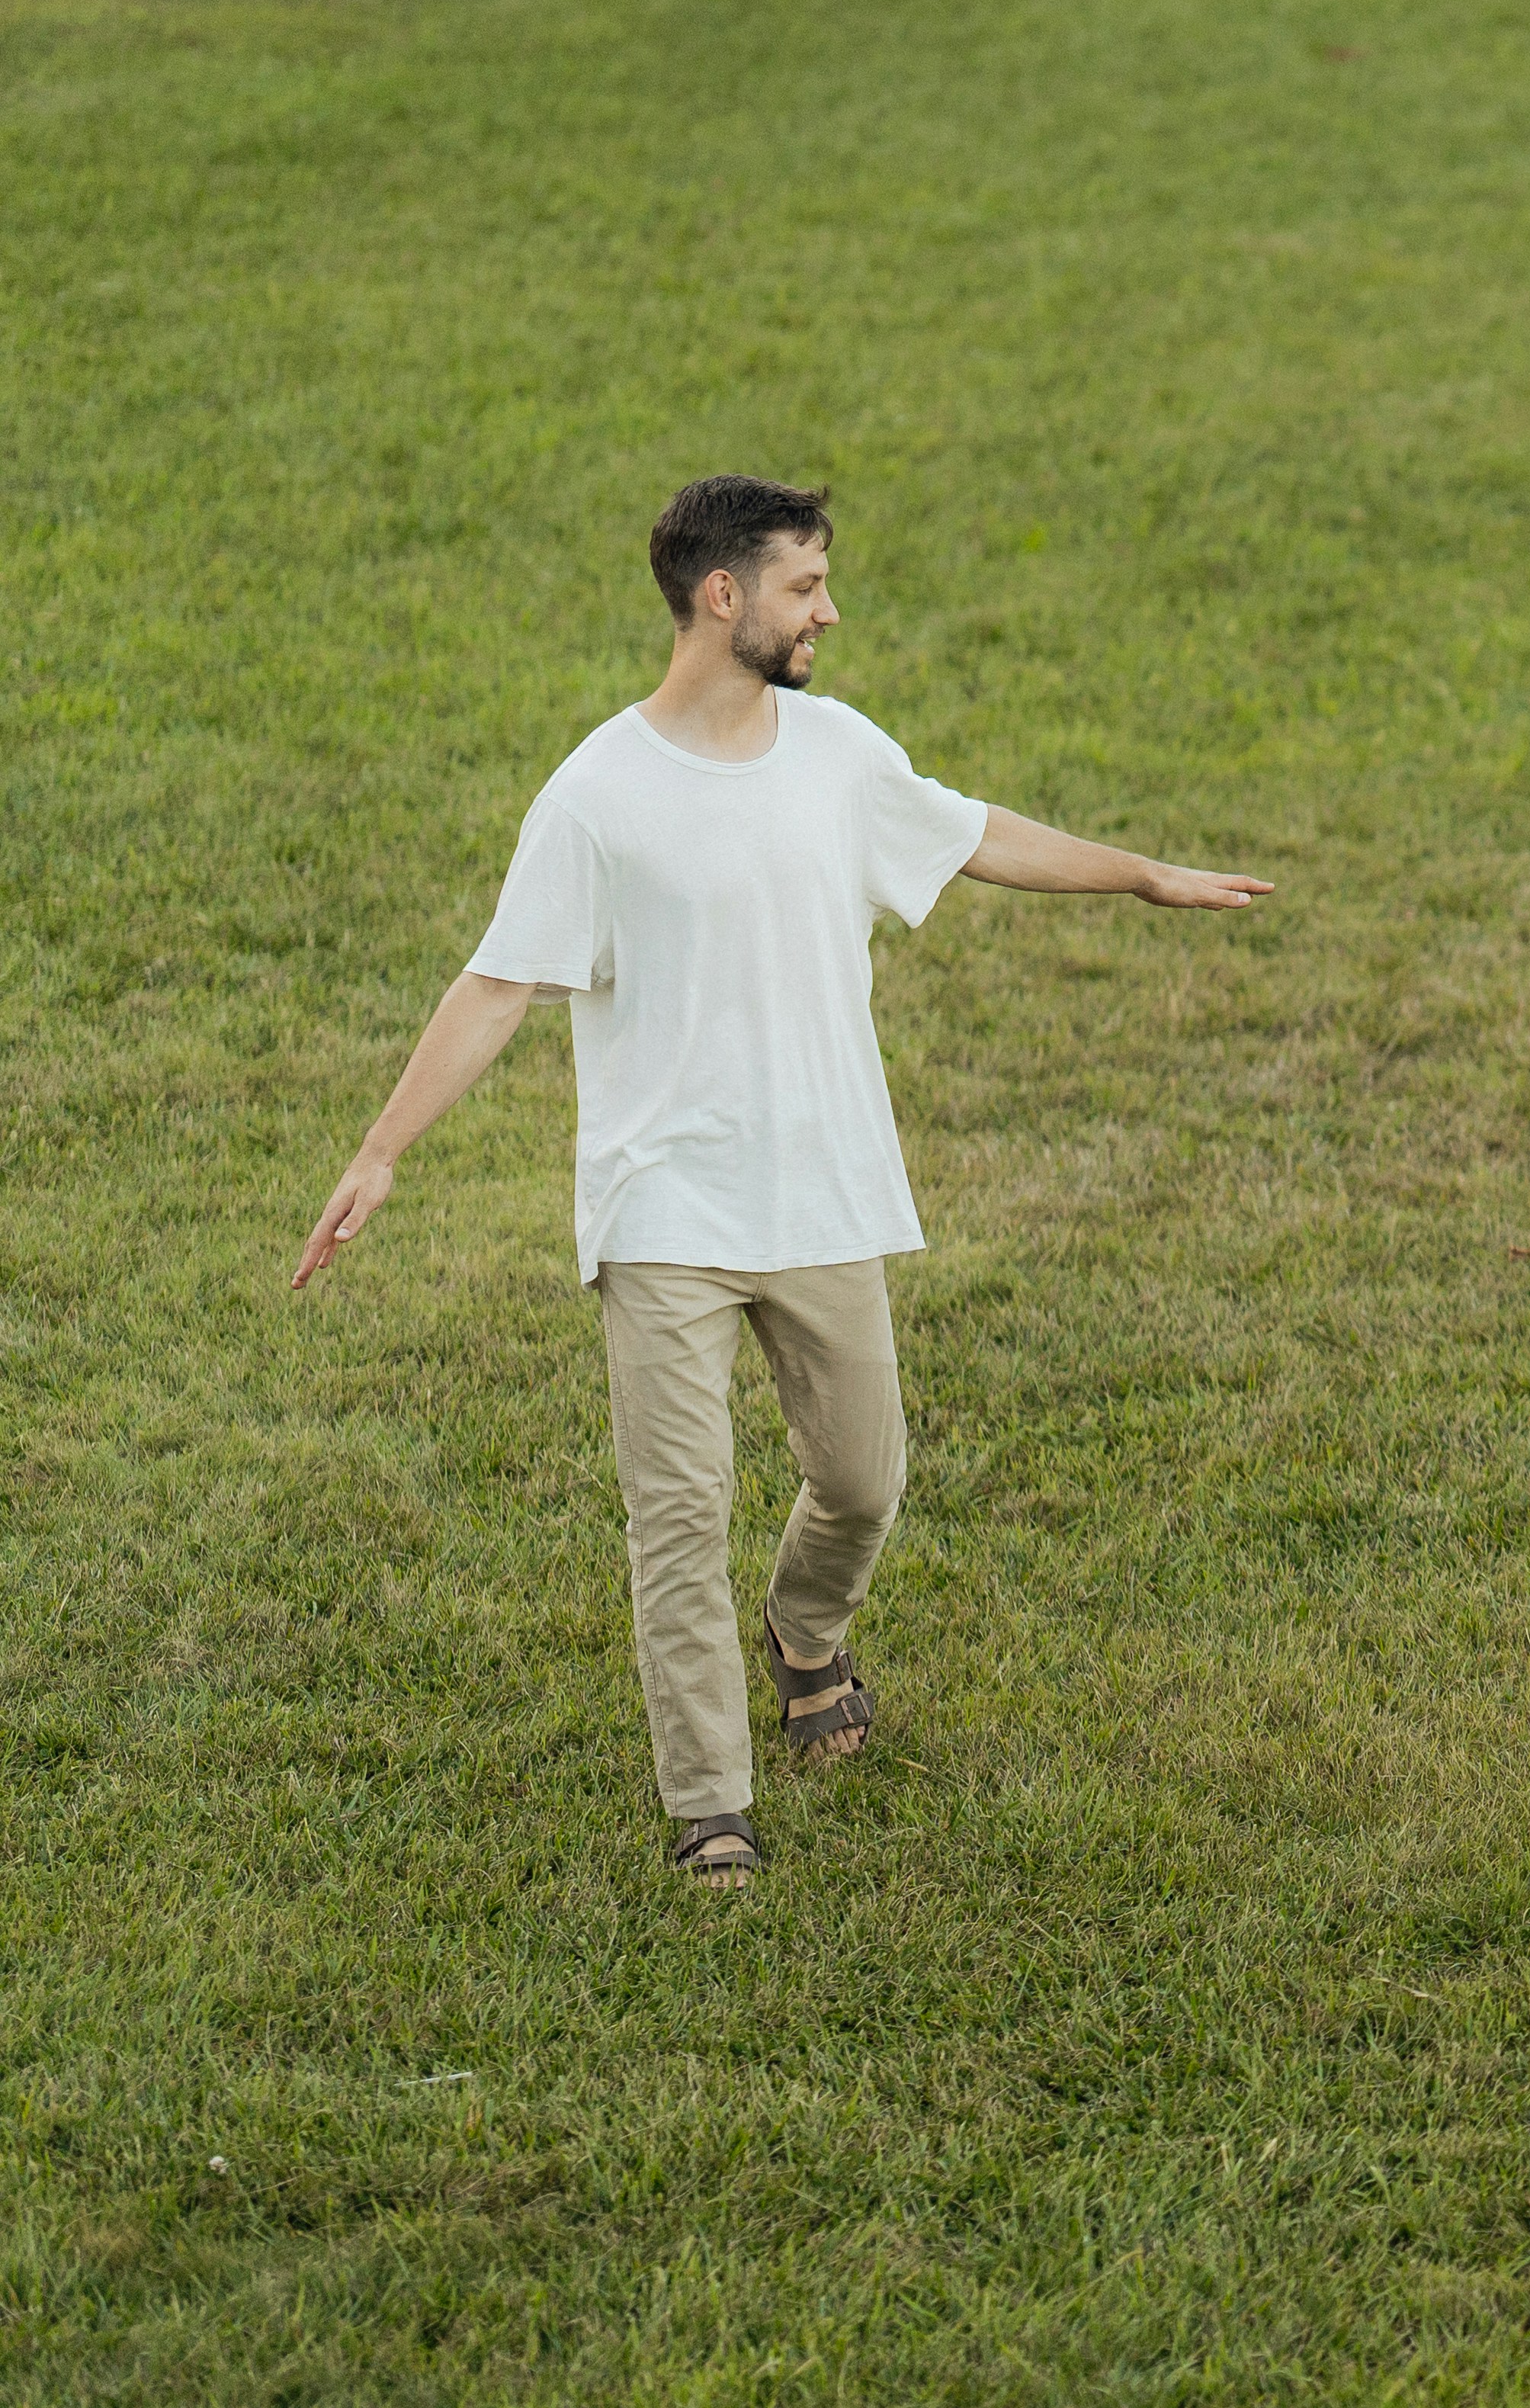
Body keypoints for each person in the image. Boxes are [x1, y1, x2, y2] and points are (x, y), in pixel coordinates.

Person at [291, 476, 1271, 1883]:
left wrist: (1141, 875)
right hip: (666, 1208)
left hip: (820, 1186)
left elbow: (973, 830)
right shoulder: (599, 794)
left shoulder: (837, 753)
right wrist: (381, 1153)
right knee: (680, 1512)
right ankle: (712, 1806)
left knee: (863, 1480)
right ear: (722, 596)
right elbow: (504, 979)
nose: (829, 609)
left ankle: (806, 1635)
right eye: (806, 585)